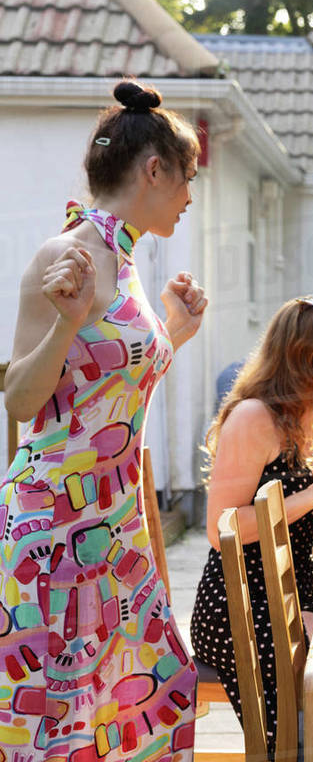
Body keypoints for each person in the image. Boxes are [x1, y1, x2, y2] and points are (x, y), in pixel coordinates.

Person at [0, 80, 206, 759]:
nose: (189, 194)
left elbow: (107, 395)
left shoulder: (125, 258)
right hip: (54, 529)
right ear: (154, 171)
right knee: (64, 722)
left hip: (111, 528)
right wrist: (62, 322)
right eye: (187, 176)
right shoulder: (67, 258)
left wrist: (172, 330)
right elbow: (23, 403)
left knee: (150, 693)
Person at [190, 296, 313, 756]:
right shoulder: (254, 417)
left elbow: (312, 493)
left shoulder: (306, 415)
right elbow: (220, 528)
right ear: (308, 354)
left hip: (288, 593)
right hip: (243, 609)